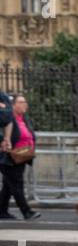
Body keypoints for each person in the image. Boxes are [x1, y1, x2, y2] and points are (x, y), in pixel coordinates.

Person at [0, 93, 39, 221]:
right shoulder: (8, 119)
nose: (24, 104)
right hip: (8, 156)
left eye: (25, 102)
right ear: (13, 105)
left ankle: (2, 211)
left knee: (8, 186)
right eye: (21, 102)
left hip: (22, 155)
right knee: (17, 184)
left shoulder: (24, 119)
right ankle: (26, 211)